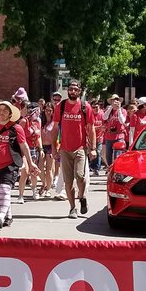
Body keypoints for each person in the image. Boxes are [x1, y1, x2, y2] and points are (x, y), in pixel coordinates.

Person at [0, 100, 36, 229]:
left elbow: (24, 146)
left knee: (5, 190)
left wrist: (31, 164)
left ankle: (0, 217)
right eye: (0, 110)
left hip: (11, 164)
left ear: (10, 114)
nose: (1, 112)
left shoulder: (16, 128)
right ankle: (8, 216)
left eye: (5, 110)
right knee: (3, 193)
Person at [55, 80, 95, 218]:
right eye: (70, 89)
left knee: (80, 176)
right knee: (68, 181)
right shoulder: (61, 106)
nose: (72, 91)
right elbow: (55, 127)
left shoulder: (85, 107)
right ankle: (72, 208)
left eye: (75, 89)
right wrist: (55, 148)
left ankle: (82, 197)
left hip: (80, 148)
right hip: (65, 149)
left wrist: (93, 148)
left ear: (79, 91)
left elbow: (91, 128)